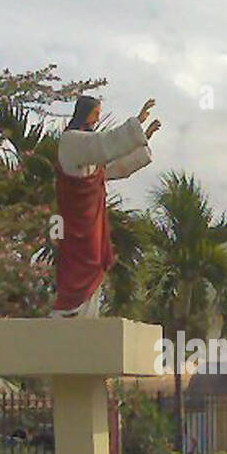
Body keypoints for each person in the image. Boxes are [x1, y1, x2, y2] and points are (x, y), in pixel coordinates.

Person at [51, 95, 161, 318]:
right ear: (84, 113)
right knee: (79, 265)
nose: (97, 118)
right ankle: (70, 311)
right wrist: (136, 123)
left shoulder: (89, 154)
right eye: (95, 113)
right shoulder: (71, 141)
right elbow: (104, 145)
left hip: (91, 221)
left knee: (94, 266)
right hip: (75, 222)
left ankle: (86, 314)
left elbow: (116, 167)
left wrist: (144, 137)